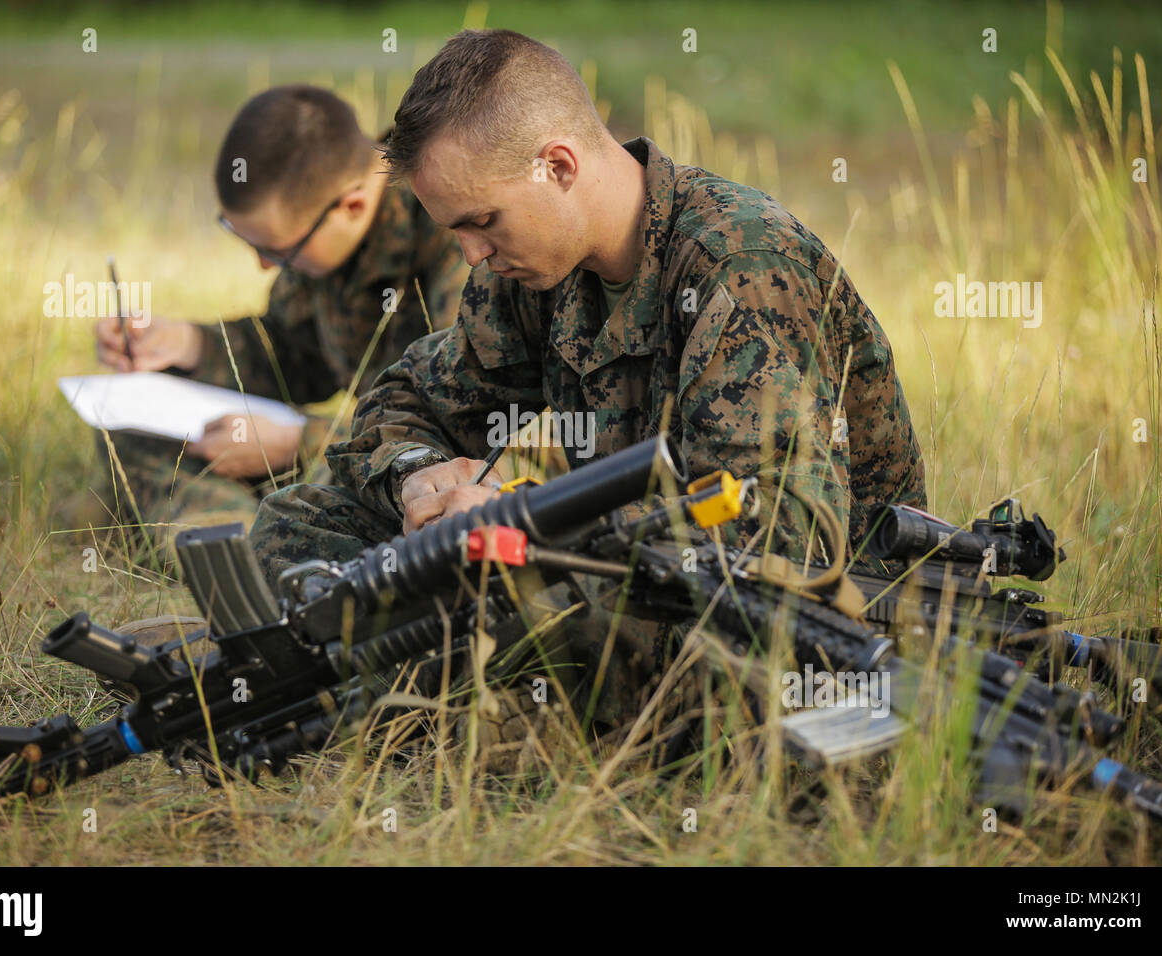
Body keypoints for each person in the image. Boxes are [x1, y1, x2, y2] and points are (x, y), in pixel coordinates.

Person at [247, 30, 927, 745]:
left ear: (559, 166)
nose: (470, 254)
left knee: (535, 623)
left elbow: (775, 544)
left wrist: (528, 529)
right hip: (615, 581)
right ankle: (392, 686)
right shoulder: (537, 269)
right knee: (299, 521)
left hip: (797, 628)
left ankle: (377, 695)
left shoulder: (742, 265)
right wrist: (421, 482)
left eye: (481, 222)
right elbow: (401, 403)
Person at [90, 85, 469, 558]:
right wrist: (187, 345)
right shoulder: (319, 227)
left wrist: (301, 443)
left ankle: (263, 555)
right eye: (244, 240)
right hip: (355, 448)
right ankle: (242, 552)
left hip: (420, 465)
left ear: (350, 207)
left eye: (275, 250)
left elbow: (459, 418)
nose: (265, 267)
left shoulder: (454, 226)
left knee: (368, 484)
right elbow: (289, 355)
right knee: (139, 421)